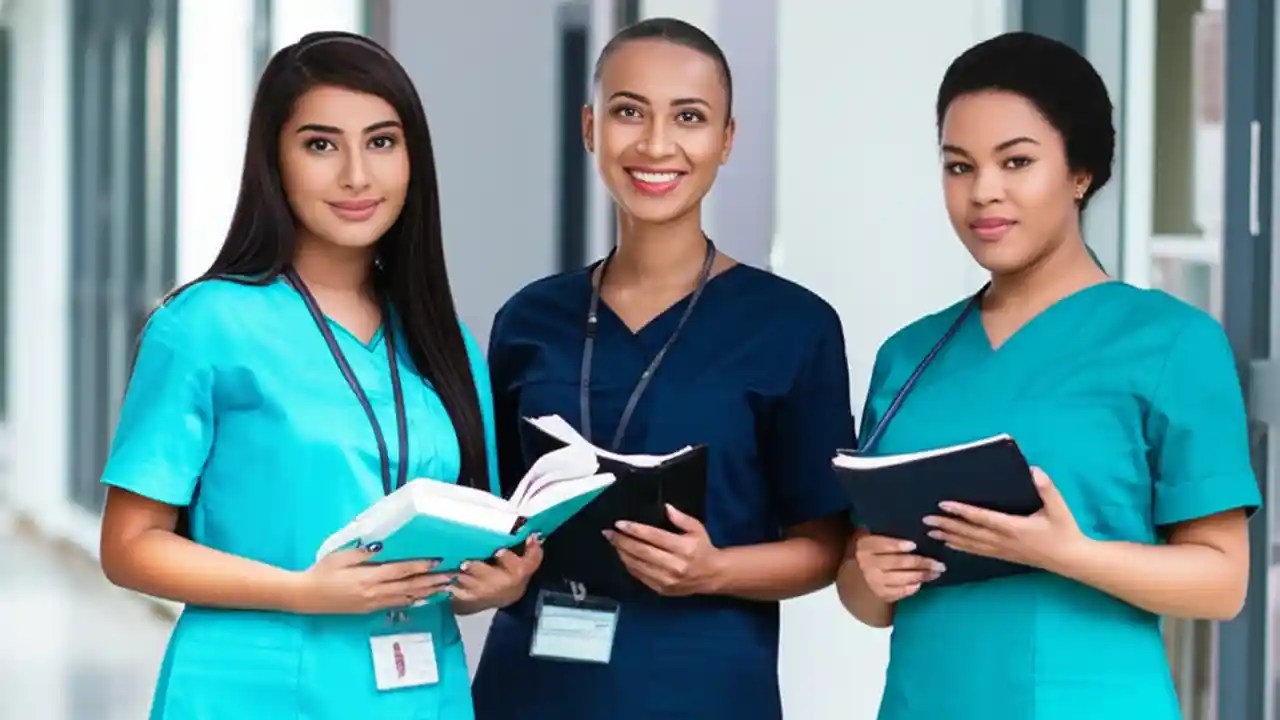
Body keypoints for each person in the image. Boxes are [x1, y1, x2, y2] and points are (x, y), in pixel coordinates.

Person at [97, 31, 541, 719]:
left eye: (382, 142)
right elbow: (129, 548)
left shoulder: (442, 339)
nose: (357, 176)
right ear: (275, 160)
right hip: (252, 689)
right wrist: (302, 590)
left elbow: (465, 527)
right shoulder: (204, 325)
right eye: (321, 144)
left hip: (420, 690)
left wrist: (495, 584)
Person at [835, 31, 1261, 719]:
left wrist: (1069, 553)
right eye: (958, 166)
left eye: (1017, 162)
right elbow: (865, 598)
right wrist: (867, 573)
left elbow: (1222, 583)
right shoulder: (908, 357)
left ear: (1080, 173)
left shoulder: (1172, 343)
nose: (984, 193)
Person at [469, 17, 853, 720]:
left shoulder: (792, 326)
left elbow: (825, 548)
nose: (655, 144)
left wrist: (715, 570)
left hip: (702, 688)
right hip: (530, 686)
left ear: (726, 139)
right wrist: (486, 572)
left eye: (690, 117)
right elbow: (490, 513)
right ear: (590, 127)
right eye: (627, 112)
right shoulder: (528, 320)